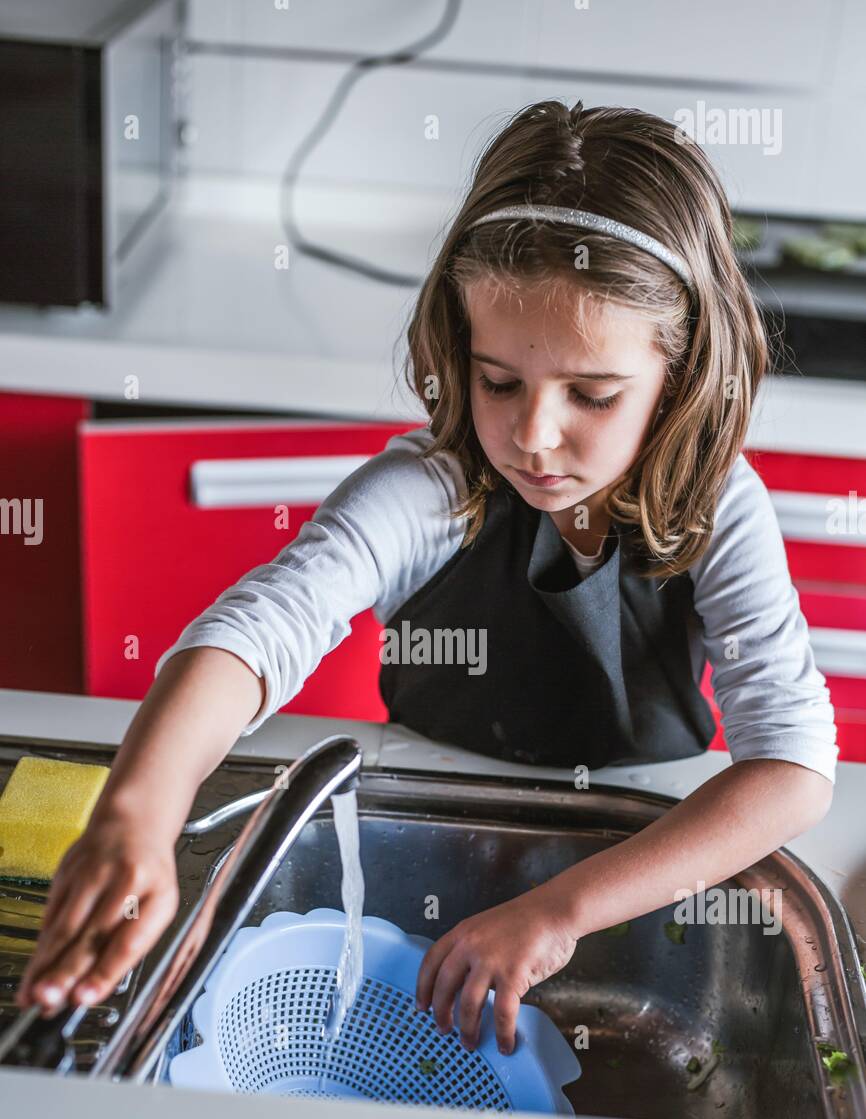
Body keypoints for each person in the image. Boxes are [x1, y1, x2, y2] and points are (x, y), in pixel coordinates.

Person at [17, 100, 837, 1057]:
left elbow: (792, 770)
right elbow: (257, 631)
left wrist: (560, 910)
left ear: (683, 371)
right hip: (433, 822)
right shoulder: (433, 491)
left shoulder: (717, 506)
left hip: (639, 865)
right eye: (498, 382)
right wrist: (138, 813)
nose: (533, 435)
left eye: (592, 395)